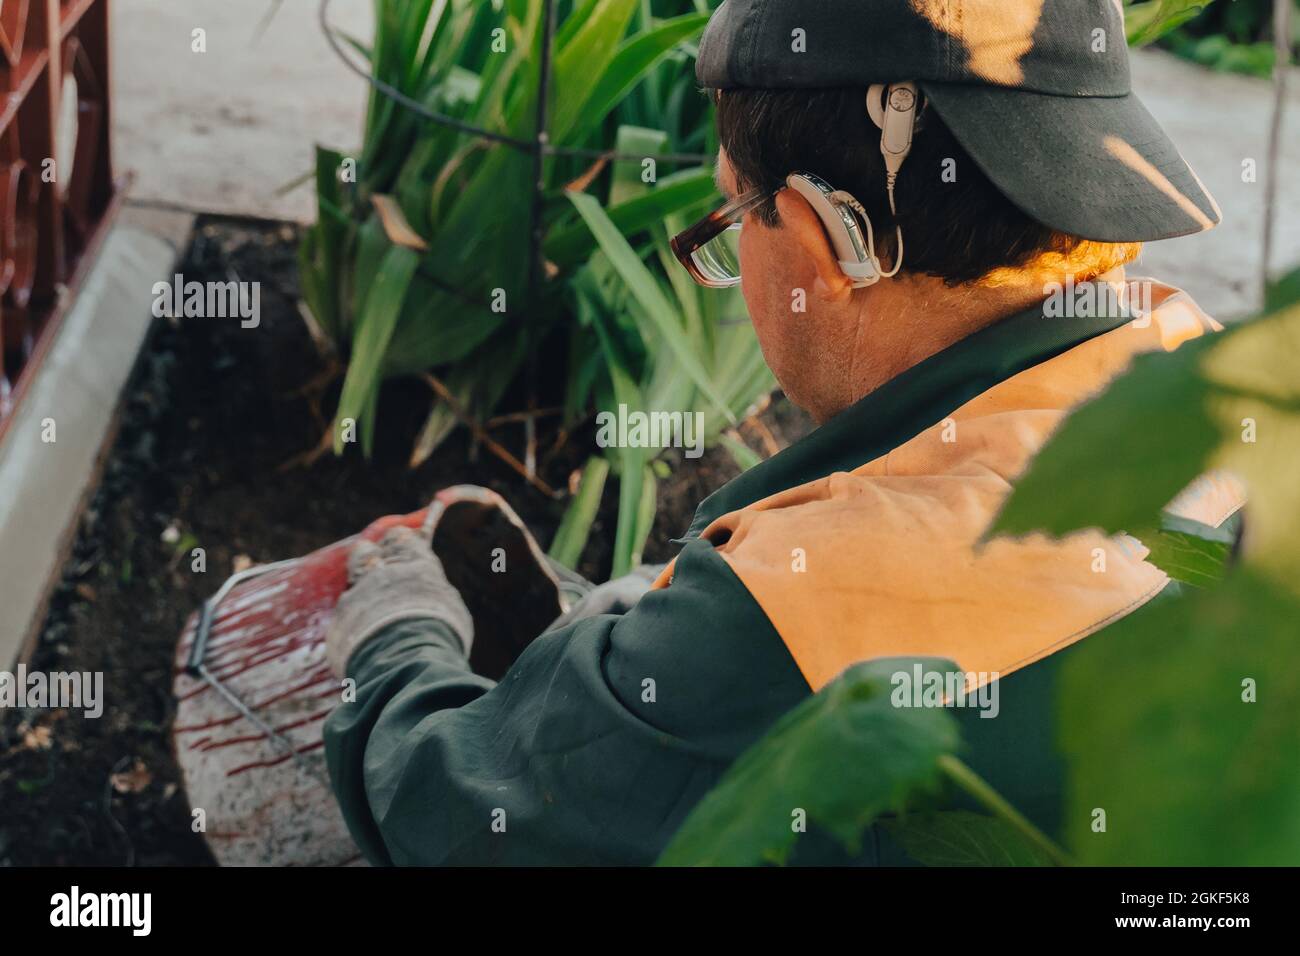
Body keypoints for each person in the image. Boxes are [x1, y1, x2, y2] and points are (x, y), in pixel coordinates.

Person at [322, 0, 1244, 865]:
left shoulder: (800, 615)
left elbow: (455, 819)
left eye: (733, 213)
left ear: (820, 242)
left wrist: (395, 640)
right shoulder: (1215, 394)